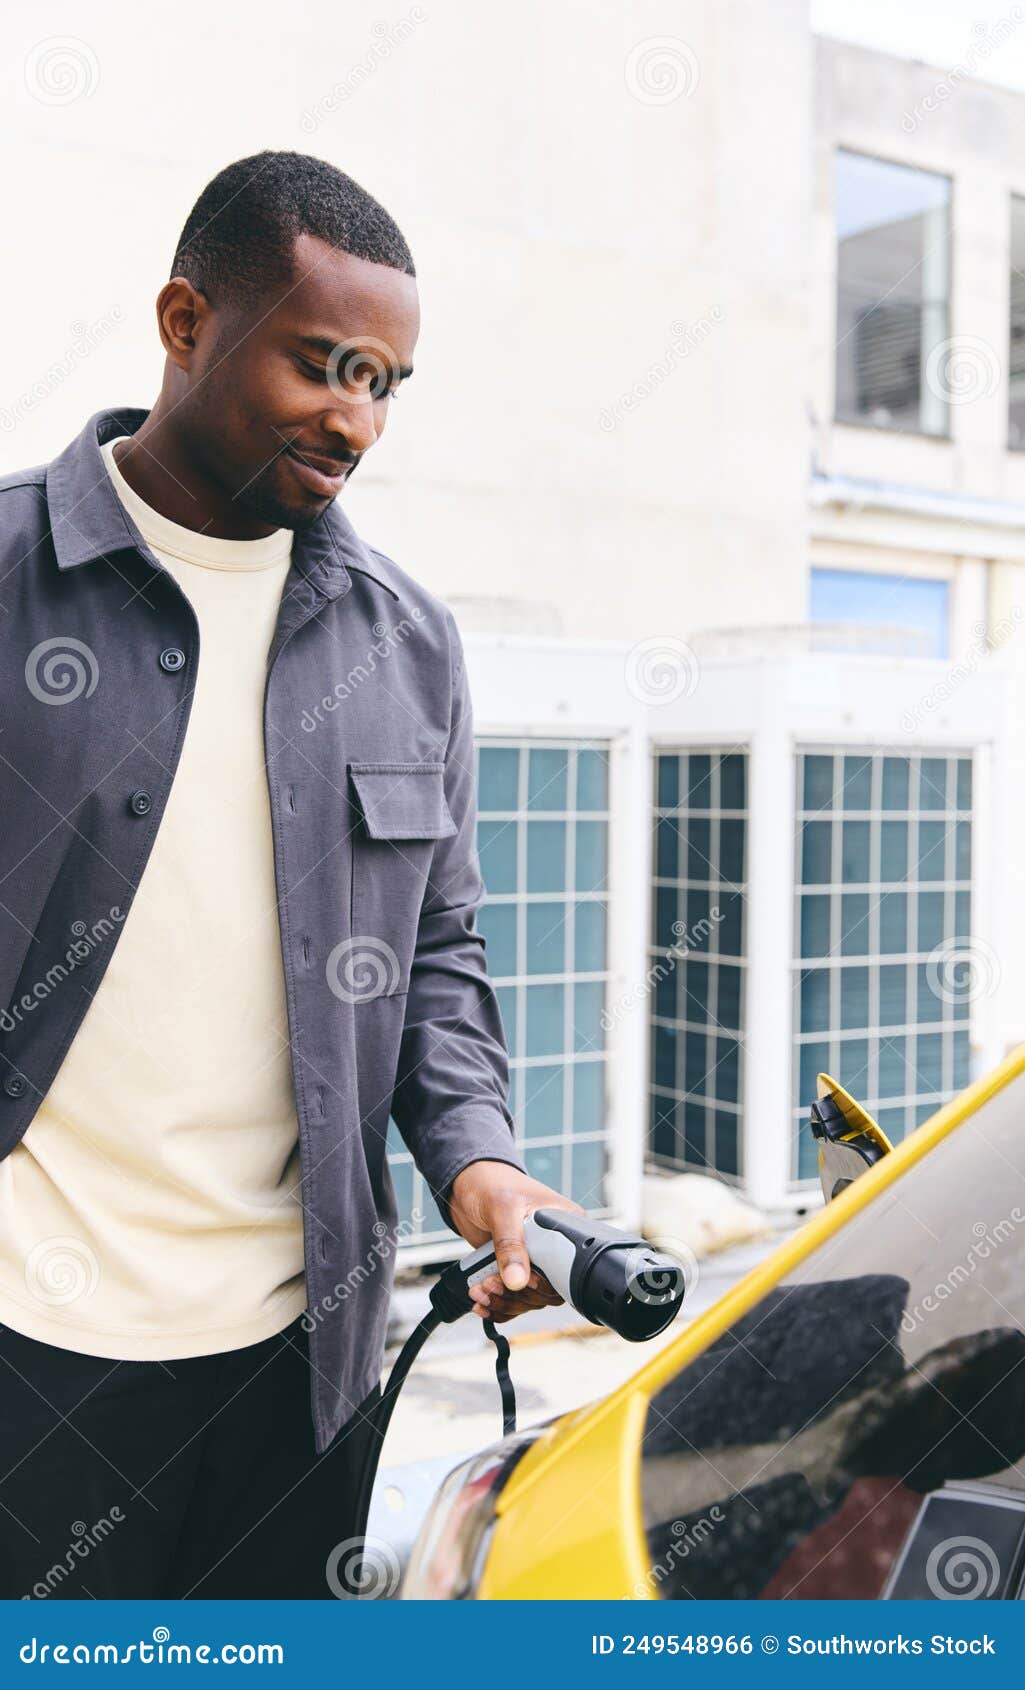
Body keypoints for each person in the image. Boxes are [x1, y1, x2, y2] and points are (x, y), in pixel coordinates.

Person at [0, 150, 579, 1599]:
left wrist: (479, 1153)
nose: (356, 419)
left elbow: (436, 947)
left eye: (385, 380)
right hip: (30, 1360)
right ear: (186, 321)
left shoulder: (410, 645)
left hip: (295, 1367)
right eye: (322, 365)